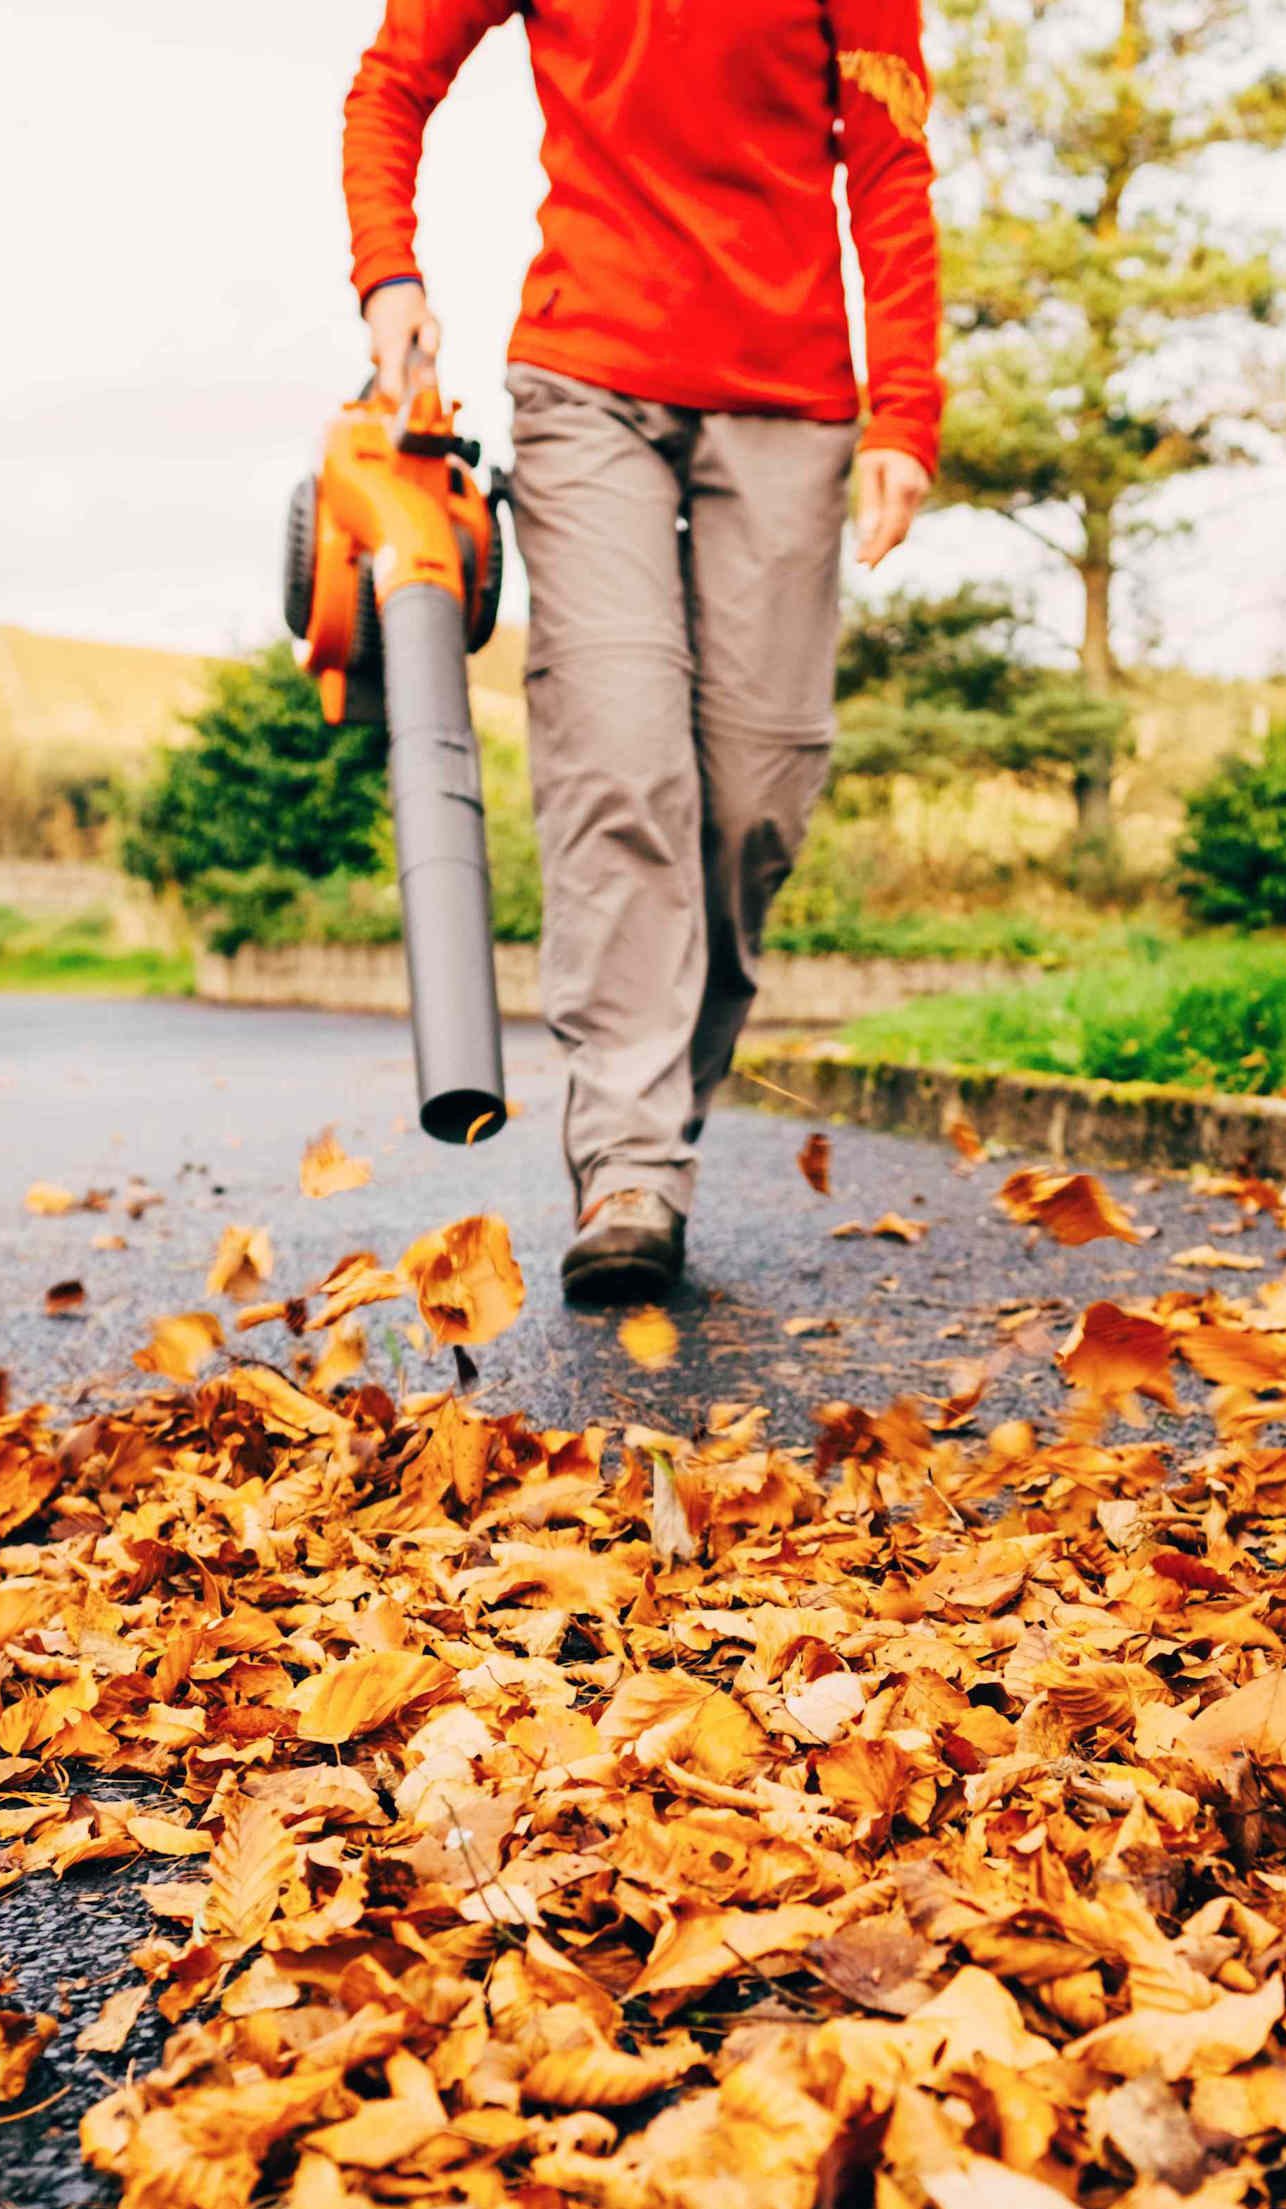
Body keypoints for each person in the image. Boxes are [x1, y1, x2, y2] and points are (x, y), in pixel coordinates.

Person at [344, 0, 938, 1306]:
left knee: (753, 803)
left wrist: (905, 403)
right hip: (588, 378)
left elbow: (890, 159)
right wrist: (390, 276)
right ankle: (630, 1167)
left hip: (787, 397)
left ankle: (655, 1119)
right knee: (620, 767)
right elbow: (392, 83)